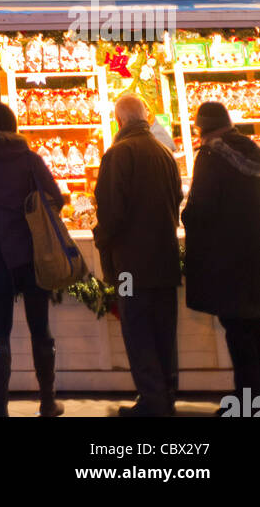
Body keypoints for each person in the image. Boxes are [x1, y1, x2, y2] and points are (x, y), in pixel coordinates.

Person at [0, 101, 65, 418]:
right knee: (41, 329)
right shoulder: (29, 158)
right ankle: (48, 401)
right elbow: (56, 199)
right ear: (13, 127)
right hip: (31, 253)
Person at [94, 92, 182, 418]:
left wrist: (102, 239)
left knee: (138, 330)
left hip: (130, 267)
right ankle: (167, 395)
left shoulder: (118, 154)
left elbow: (112, 214)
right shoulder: (164, 153)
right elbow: (177, 201)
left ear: (120, 120)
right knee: (164, 332)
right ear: (144, 118)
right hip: (165, 260)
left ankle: (152, 402)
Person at [182, 101, 260, 412]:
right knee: (255, 335)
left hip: (229, 264)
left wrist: (186, 216)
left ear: (201, 129)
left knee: (240, 339)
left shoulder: (211, 156)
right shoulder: (251, 148)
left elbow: (199, 210)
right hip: (256, 258)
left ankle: (246, 404)